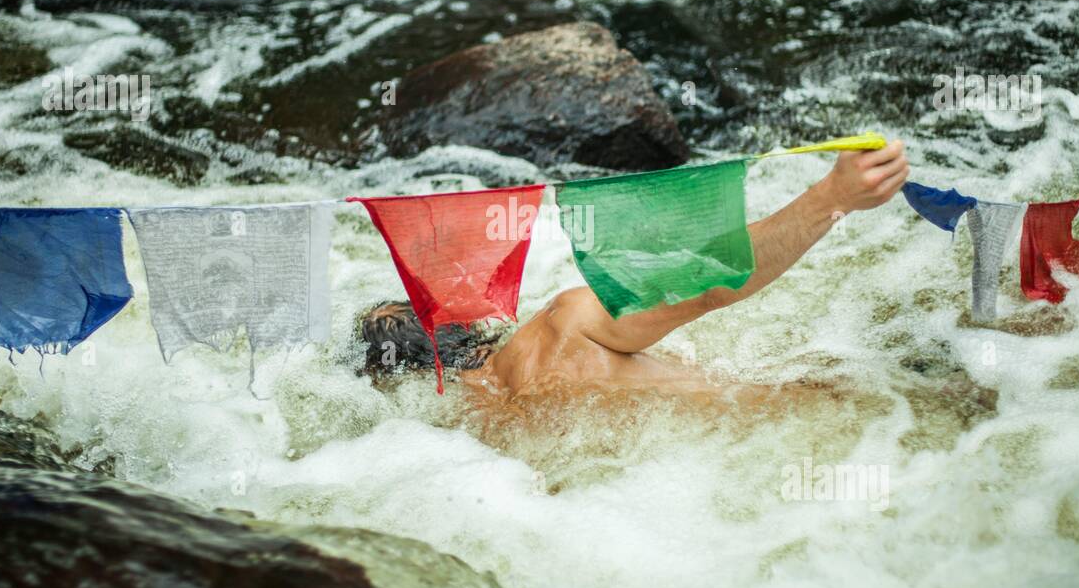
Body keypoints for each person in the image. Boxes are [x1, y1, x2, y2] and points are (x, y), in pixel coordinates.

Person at [359, 140, 910, 396]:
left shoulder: (472, 436)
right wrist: (831, 197)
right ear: (468, 321)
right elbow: (708, 288)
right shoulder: (564, 326)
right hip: (802, 423)